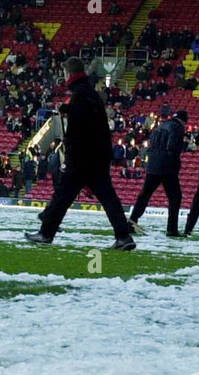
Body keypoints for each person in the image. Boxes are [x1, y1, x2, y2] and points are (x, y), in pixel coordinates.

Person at [25, 57, 135, 250]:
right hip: (99, 155)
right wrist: (69, 109)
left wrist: (70, 155)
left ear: (69, 74)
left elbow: (78, 130)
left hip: (83, 156)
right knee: (108, 197)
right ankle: (124, 236)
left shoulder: (80, 95)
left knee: (63, 195)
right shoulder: (89, 93)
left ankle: (46, 232)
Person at [128, 109, 187, 237]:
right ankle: (172, 229)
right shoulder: (178, 128)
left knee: (145, 194)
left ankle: (132, 221)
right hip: (167, 167)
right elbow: (172, 147)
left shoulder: (161, 126)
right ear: (183, 121)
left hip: (153, 165)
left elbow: (151, 144)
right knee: (175, 197)